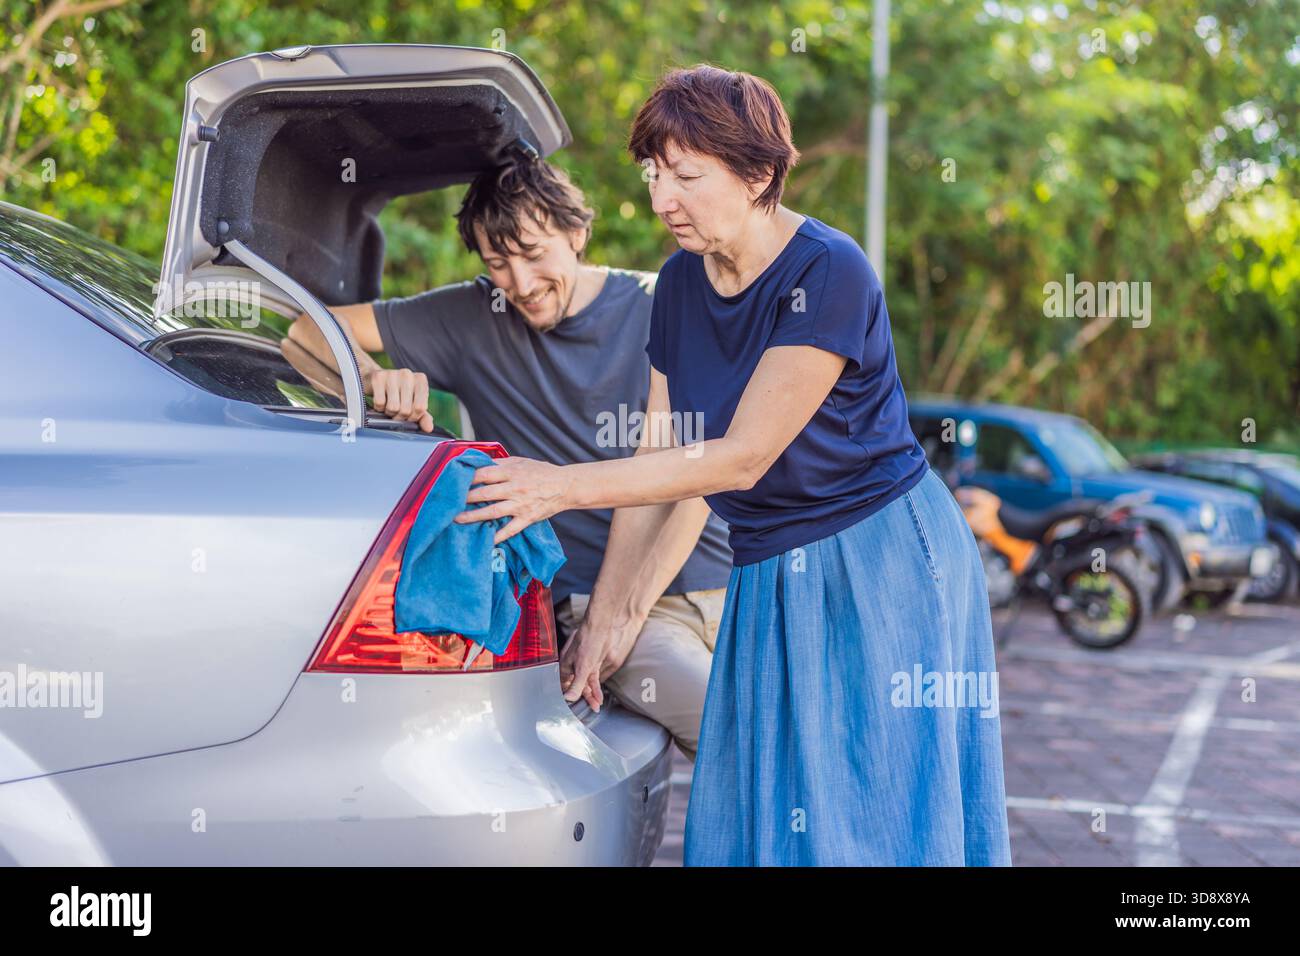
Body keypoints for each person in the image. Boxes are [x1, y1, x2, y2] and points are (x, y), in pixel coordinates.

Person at [454, 65, 1013, 866]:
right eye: (653, 176)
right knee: (766, 800)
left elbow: (741, 459)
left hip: (879, 558)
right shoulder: (679, 285)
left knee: (871, 802)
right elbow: (659, 452)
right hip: (769, 568)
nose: (659, 202)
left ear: (758, 175)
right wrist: (605, 626)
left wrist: (558, 484)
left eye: (685, 177)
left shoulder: (829, 270)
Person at [284, 159, 733, 762]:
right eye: (498, 264)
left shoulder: (662, 303)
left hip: (726, 584)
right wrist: (375, 380)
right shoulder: (470, 319)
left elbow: (703, 477)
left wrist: (623, 612)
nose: (519, 283)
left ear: (576, 233)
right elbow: (305, 335)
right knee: (741, 742)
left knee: (818, 742)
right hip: (618, 608)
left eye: (533, 252)